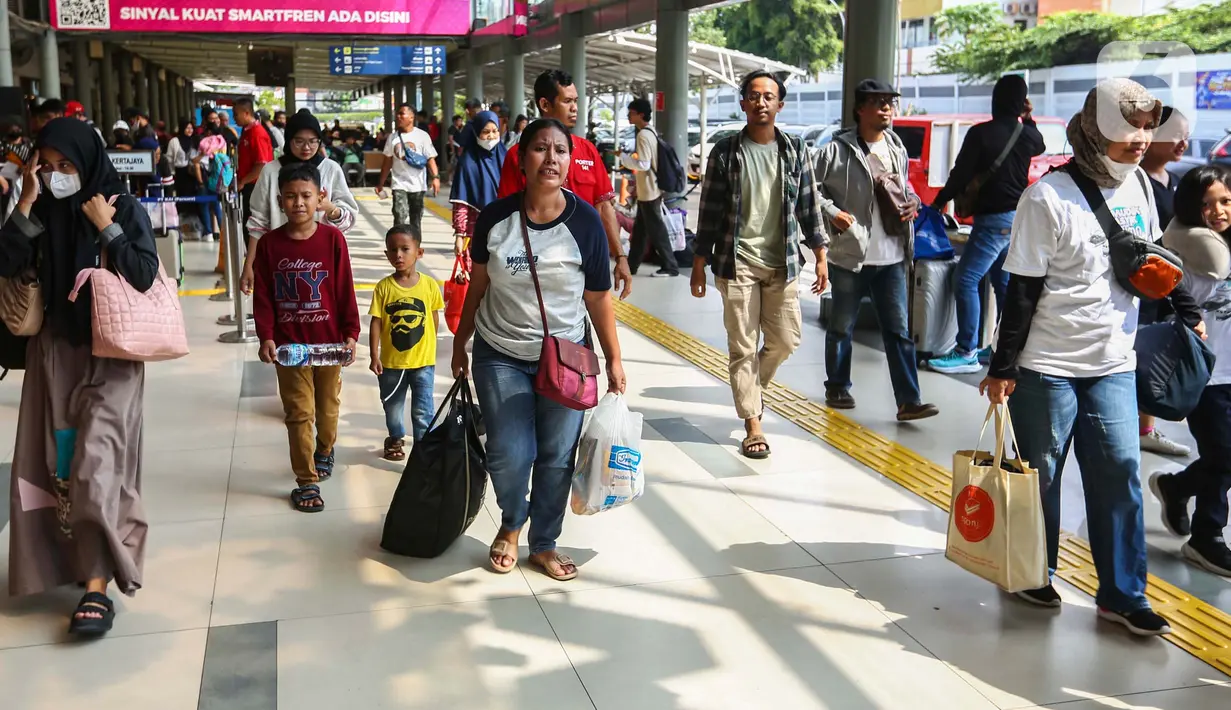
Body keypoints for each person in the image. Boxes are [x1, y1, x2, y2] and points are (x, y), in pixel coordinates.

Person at [981, 79, 1203, 635]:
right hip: (1046, 367)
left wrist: (1186, 307)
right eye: (1129, 127)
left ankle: (1124, 595)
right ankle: (1033, 571)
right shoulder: (1047, 198)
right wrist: (1003, 367)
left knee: (1121, 476)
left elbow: (1154, 254)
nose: (1141, 138)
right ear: (1095, 129)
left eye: (1146, 127)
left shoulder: (1140, 185)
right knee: (1041, 477)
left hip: (1114, 363)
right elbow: (1022, 290)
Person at [0, 118, 160, 636]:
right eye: (46, 166)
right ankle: (68, 560)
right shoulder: (40, 208)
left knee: (98, 462)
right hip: (55, 354)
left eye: (66, 165)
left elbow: (143, 273)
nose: (56, 175)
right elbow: (5, 262)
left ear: (88, 161)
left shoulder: (120, 206)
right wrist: (26, 201)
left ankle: (97, 586)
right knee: (58, 465)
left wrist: (107, 228)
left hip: (112, 354)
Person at [451, 118, 626, 582]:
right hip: (500, 352)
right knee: (509, 452)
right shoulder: (495, 219)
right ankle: (512, 522)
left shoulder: (586, 223)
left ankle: (544, 542)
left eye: (560, 150)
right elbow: (478, 285)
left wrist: (614, 358)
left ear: (570, 161)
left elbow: (597, 298)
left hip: (567, 358)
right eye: (540, 149)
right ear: (521, 160)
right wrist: (460, 341)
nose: (551, 158)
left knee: (556, 455)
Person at [691, 71, 829, 459]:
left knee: (786, 340)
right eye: (754, 96)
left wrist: (820, 255)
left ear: (780, 105)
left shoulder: (795, 149)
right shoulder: (725, 152)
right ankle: (753, 423)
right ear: (743, 103)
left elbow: (808, 205)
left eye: (768, 96)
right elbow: (710, 210)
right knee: (742, 346)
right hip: (736, 261)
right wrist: (699, 262)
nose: (761, 102)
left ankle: (752, 389)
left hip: (782, 261)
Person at [814, 78, 939, 421]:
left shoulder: (896, 147)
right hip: (850, 256)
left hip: (893, 257)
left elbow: (903, 189)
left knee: (898, 332)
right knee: (841, 327)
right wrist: (833, 213)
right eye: (878, 102)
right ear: (860, 109)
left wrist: (913, 202)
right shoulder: (835, 151)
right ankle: (837, 386)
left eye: (890, 102)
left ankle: (908, 401)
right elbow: (807, 188)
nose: (886, 108)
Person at [253, 162, 361, 513]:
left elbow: (344, 289)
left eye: (306, 196)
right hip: (289, 347)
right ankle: (306, 480)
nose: (298, 203)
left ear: (320, 198)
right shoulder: (269, 245)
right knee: (299, 412)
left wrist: (351, 334)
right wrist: (266, 335)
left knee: (327, 410)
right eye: (290, 196)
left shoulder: (333, 240)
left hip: (329, 345)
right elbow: (263, 295)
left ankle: (325, 449)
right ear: (279, 200)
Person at [928, 74, 1045, 375]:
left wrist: (939, 202)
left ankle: (966, 350)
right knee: (1003, 284)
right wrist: (1027, 117)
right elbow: (1040, 145)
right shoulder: (1026, 135)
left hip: (993, 221)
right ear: (1021, 102)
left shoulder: (981, 133)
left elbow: (961, 173)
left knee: (965, 280)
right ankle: (1002, 349)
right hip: (1016, 219)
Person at [1152, 164, 1231, 577]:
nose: (1218, 211)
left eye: (1225, 201)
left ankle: (1177, 486)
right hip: (1208, 376)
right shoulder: (1191, 252)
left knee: (1223, 457)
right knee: (1224, 455)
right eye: (1206, 205)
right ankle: (1207, 537)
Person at [499, 69, 632, 299]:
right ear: (545, 104)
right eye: (567, 101)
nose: (575, 108)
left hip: (586, 257)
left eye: (576, 101)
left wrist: (620, 256)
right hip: (539, 263)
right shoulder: (518, 156)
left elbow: (604, 206)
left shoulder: (588, 151)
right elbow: (507, 214)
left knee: (592, 313)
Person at [241, 108, 358, 293]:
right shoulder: (271, 171)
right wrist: (249, 264)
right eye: (299, 141)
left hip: (322, 262)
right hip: (282, 261)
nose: (306, 147)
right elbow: (258, 223)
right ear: (288, 140)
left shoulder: (330, 169)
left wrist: (331, 209)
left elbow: (349, 218)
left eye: (313, 141)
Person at [1136, 105, 1195, 458]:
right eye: (1175, 136)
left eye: (1186, 137)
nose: (1183, 143)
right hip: (1142, 285)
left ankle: (1145, 428)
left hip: (1169, 286)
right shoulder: (1134, 182)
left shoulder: (1175, 183)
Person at [369, 224, 444, 461]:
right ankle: (395, 437)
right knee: (392, 406)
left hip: (423, 363)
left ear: (419, 252)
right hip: (391, 364)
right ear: (386, 254)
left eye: (405, 249)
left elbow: (433, 318)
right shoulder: (383, 287)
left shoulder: (429, 285)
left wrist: (431, 347)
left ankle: (424, 451)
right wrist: (374, 355)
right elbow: (377, 322)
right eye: (393, 250)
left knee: (424, 409)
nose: (398, 255)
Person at [622, 97, 678, 277]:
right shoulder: (651, 132)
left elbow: (644, 164)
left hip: (649, 190)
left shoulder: (643, 135)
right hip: (649, 189)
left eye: (631, 113)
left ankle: (670, 266)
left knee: (656, 230)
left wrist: (624, 159)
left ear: (641, 115)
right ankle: (631, 265)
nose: (628, 116)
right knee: (640, 231)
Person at [450, 110, 508, 257]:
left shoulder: (507, 159)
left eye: (495, 131)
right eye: (485, 132)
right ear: (476, 132)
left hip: (505, 230)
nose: (491, 136)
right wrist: (459, 235)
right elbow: (461, 203)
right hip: (476, 230)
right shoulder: (467, 164)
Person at [376, 104, 440, 236]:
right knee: (399, 216)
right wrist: (381, 183)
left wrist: (435, 178)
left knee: (415, 220)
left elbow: (430, 159)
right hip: (399, 184)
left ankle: (415, 245)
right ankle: (398, 244)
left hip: (418, 185)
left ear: (411, 117)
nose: (398, 116)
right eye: (397, 114)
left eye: (402, 114)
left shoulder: (422, 136)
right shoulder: (392, 138)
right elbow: (387, 162)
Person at [233, 97, 274, 249]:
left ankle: (256, 259)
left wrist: (242, 181)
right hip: (250, 186)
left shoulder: (257, 133)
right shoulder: (247, 132)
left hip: (256, 186)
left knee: (254, 227)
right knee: (248, 225)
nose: (234, 118)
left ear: (246, 113)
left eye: (236, 114)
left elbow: (261, 164)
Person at [166, 120, 199, 231]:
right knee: (180, 199)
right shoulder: (174, 141)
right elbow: (169, 159)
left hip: (192, 174)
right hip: (178, 174)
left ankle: (192, 226)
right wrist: (171, 173)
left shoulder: (194, 141)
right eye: (187, 128)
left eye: (191, 128)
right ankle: (181, 224)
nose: (190, 130)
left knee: (192, 200)